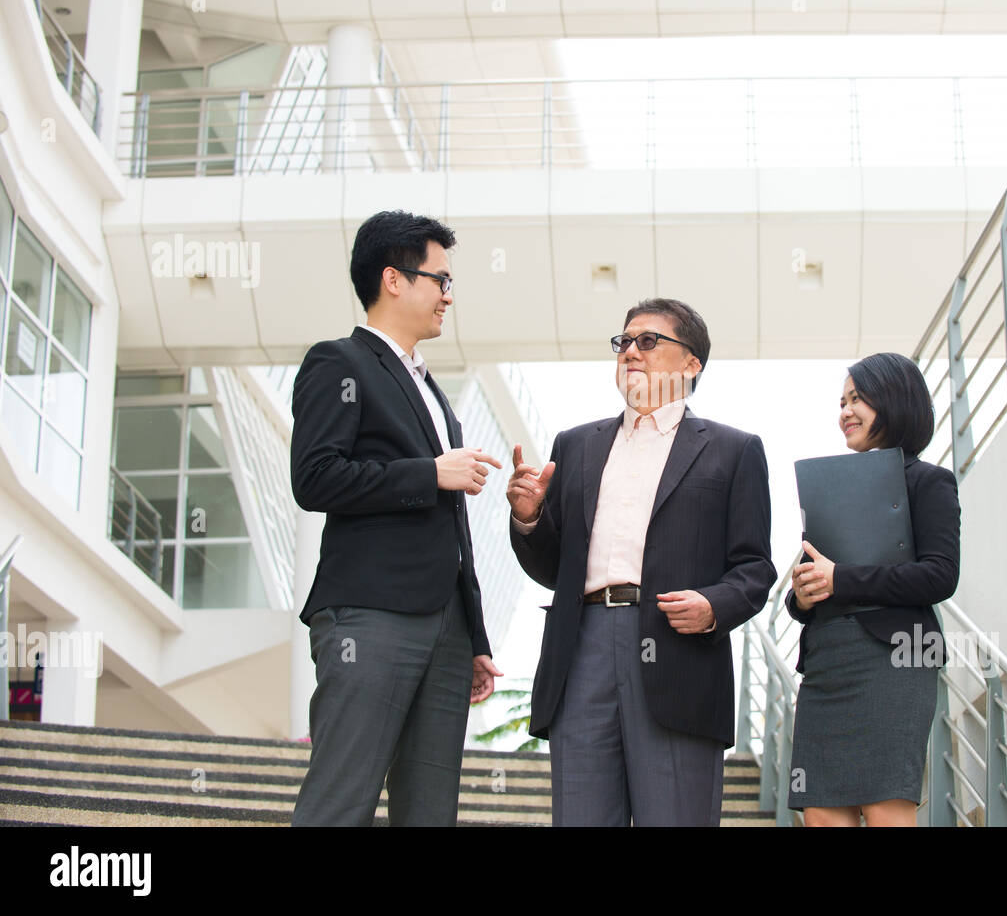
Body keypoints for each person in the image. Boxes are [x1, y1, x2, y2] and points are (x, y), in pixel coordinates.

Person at [507, 298, 777, 826]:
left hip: (679, 654)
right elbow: (554, 568)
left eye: (648, 341)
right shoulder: (576, 445)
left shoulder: (734, 450)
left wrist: (712, 605)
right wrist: (529, 520)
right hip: (581, 647)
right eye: (623, 342)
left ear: (691, 362)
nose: (630, 351)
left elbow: (754, 568)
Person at [290, 210, 503, 826]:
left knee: (430, 812)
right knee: (341, 799)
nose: (447, 295)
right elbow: (316, 478)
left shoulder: (433, 392)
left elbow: (452, 528)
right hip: (370, 616)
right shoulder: (339, 363)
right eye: (439, 279)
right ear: (393, 279)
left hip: (446, 629)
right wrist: (430, 473)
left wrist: (474, 637)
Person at [786, 352, 960, 827]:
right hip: (826, 662)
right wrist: (801, 596)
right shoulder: (831, 488)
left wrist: (842, 578)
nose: (844, 410)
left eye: (857, 398)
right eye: (841, 401)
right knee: (819, 812)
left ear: (894, 399)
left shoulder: (929, 482)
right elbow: (813, 574)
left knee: (886, 808)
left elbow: (940, 575)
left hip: (895, 658)